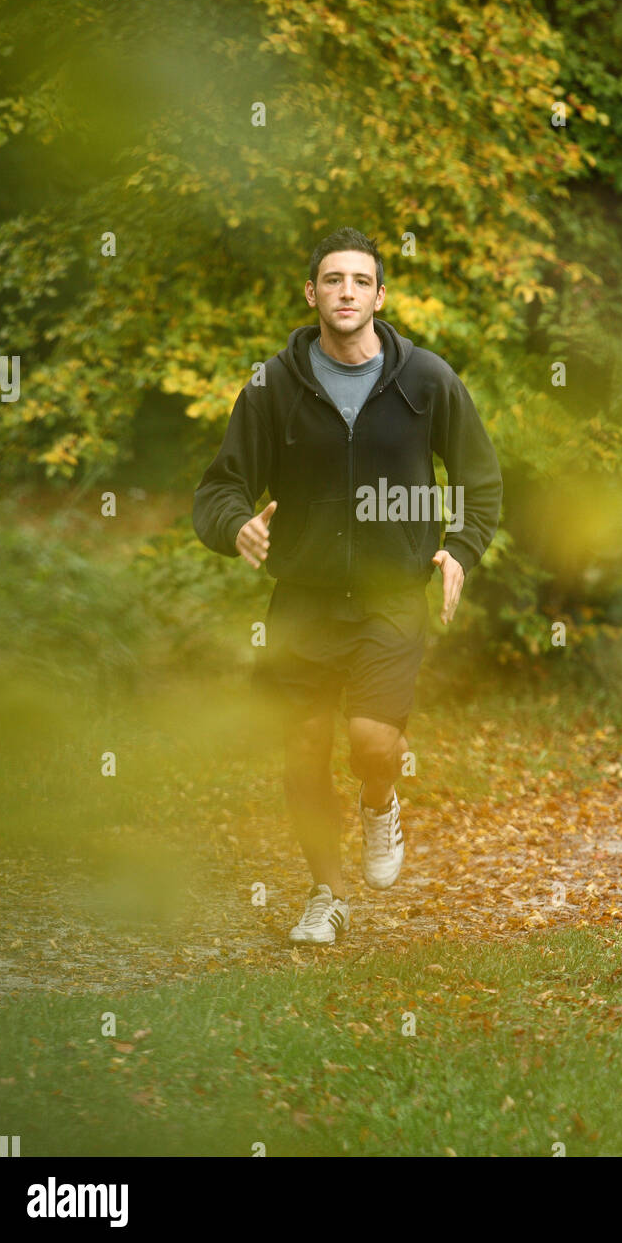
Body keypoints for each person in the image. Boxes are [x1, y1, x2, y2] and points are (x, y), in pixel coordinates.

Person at [192, 227, 502, 944]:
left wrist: (460, 548)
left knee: (371, 743)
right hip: (301, 601)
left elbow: (480, 483)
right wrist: (235, 525)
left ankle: (380, 802)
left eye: (361, 281)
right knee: (301, 754)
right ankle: (326, 895)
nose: (346, 292)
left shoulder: (427, 379)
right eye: (333, 280)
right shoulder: (273, 384)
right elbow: (219, 488)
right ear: (312, 293)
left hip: (393, 597)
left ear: (380, 295)